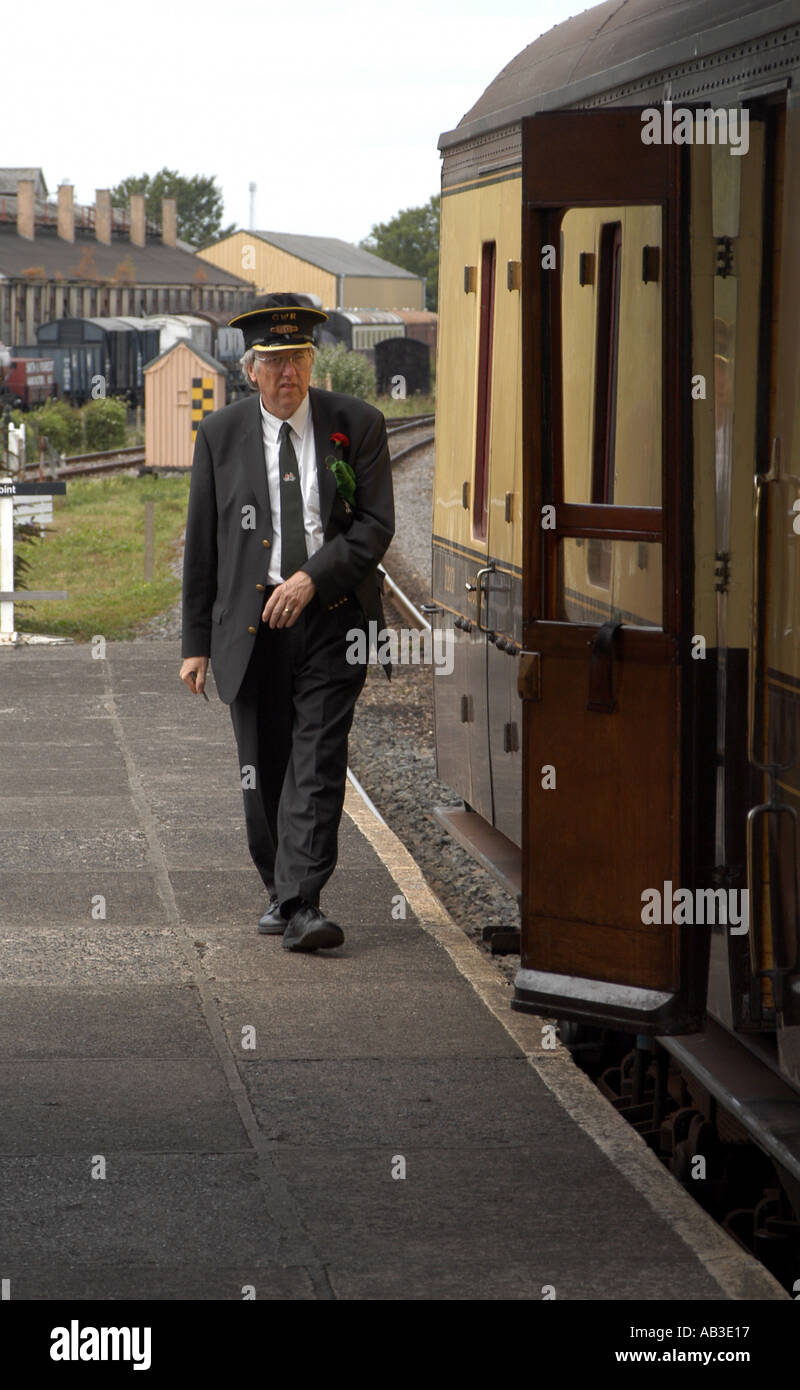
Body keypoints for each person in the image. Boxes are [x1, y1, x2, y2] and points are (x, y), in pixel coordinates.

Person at [179, 294, 394, 951]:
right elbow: (203, 545)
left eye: (298, 357)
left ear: (312, 361)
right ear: (251, 370)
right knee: (264, 771)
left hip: (332, 620)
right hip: (250, 628)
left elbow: (376, 526)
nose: (288, 372)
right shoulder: (219, 437)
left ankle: (303, 903)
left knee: (318, 760)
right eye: (274, 361)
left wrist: (312, 577)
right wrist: (195, 645)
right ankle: (279, 888)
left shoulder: (357, 424)